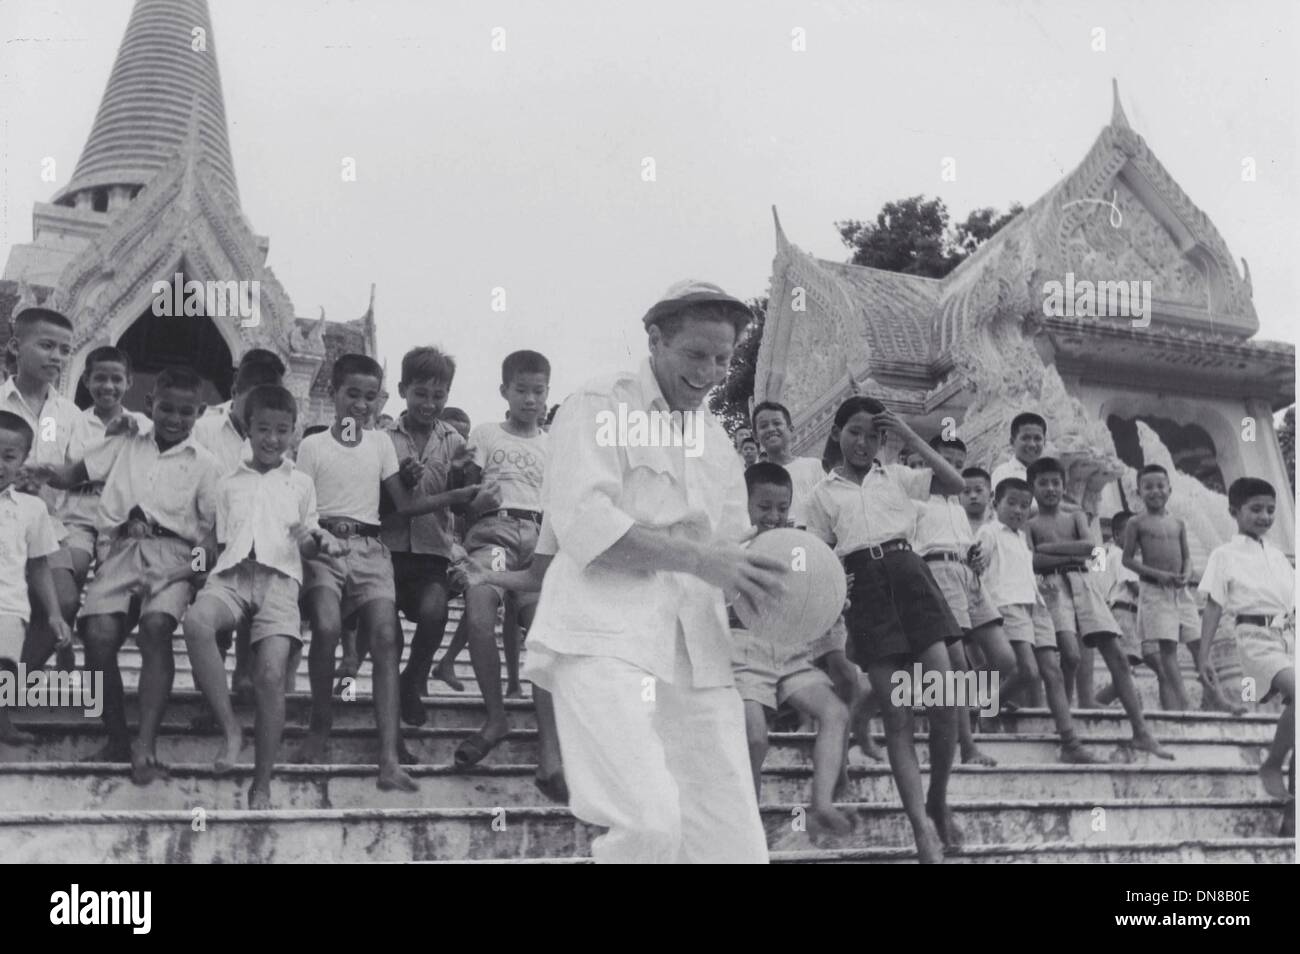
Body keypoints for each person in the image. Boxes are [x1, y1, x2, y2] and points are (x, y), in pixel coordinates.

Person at [524, 279, 788, 864]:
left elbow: (730, 550)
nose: (710, 372)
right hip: (603, 639)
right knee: (648, 828)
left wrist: (782, 589)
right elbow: (584, 524)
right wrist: (698, 558)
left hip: (696, 652)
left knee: (736, 849)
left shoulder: (717, 439)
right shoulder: (598, 404)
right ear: (654, 339)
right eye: (695, 355)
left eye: (723, 359)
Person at [294, 353, 480, 791]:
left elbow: (406, 505)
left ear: (380, 398)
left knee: (385, 638)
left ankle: (388, 758)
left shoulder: (381, 445)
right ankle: (319, 727)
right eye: (352, 395)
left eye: (369, 397)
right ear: (333, 394)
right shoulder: (312, 445)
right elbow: (298, 506)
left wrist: (459, 492)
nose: (361, 405)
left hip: (374, 548)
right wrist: (312, 544)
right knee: (324, 627)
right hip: (325, 544)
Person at [33, 366, 222, 783]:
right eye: (166, 408)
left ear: (200, 412)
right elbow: (74, 475)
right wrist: (42, 474)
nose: (174, 419)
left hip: (175, 553)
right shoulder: (127, 440)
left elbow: (212, 535)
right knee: (98, 635)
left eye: (185, 412)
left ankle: (146, 746)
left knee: (156, 628)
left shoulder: (207, 464)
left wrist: (192, 575)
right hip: (120, 548)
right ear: (150, 403)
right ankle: (116, 736)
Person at [805, 395, 966, 862]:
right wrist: (839, 581)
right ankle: (921, 828)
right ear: (838, 434)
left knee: (946, 699)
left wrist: (910, 436)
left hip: (911, 576)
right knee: (897, 716)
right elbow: (817, 555)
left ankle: (938, 797)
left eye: (874, 434)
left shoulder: (897, 475)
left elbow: (954, 482)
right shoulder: (822, 494)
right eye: (855, 432)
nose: (864, 442)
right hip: (867, 592)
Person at [182, 385, 342, 806]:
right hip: (232, 576)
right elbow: (215, 542)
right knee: (197, 623)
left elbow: (307, 541)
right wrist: (187, 573)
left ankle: (262, 782)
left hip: (279, 581)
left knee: (270, 677)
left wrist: (316, 542)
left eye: (282, 430)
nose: (273, 438)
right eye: (264, 429)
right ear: (247, 429)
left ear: (294, 431)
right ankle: (232, 729)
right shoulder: (228, 482)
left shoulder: (301, 483)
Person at [754, 399, 881, 765]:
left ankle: (854, 729)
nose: (771, 430)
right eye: (763, 426)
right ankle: (808, 724)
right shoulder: (757, 475)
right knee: (795, 657)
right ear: (757, 435)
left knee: (840, 664)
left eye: (777, 423)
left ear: (791, 429)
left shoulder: (812, 468)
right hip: (781, 577)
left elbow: (831, 512)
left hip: (819, 572)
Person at [733, 462, 852, 834]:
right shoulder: (733, 545)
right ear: (745, 504)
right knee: (754, 737)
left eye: (782, 508)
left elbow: (812, 596)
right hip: (744, 654)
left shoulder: (797, 548)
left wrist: (832, 599)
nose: (774, 516)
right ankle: (747, 825)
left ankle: (821, 805)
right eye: (764, 507)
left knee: (835, 713)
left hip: (788, 651)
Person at [1026, 457, 1171, 758]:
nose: (1051, 488)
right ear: (1033, 488)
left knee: (1117, 654)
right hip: (1052, 587)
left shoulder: (1076, 515)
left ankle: (1141, 731)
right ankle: (1066, 729)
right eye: (1043, 483)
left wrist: (1048, 549)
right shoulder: (1030, 523)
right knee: (1069, 654)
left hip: (1085, 584)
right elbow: (1034, 561)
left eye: (1056, 482)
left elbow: (1091, 550)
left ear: (1064, 485)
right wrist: (1066, 553)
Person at [452, 350, 550, 766]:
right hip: (496, 534)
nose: (530, 399)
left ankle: (550, 743)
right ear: (504, 391)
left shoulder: (555, 444)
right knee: (478, 607)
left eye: (538, 391)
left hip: (540, 541)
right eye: (521, 390)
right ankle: (496, 718)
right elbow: (463, 501)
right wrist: (473, 499)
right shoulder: (487, 434)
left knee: (546, 633)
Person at [377, 346, 470, 727]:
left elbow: (464, 504)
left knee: (435, 612)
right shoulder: (381, 438)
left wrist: (471, 485)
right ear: (402, 390)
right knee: (391, 636)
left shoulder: (455, 443)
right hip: (385, 552)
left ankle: (412, 679)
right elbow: (374, 501)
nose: (429, 404)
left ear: (448, 395)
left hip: (433, 552)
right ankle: (391, 701)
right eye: (420, 394)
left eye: (439, 395)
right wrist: (400, 483)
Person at [976, 478, 1096, 761]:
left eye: (1023, 505)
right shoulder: (989, 531)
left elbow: (1091, 555)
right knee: (1027, 672)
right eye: (1011, 504)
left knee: (1051, 672)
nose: (1018, 510)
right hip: (1008, 605)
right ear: (995, 504)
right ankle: (989, 708)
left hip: (1036, 606)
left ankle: (1070, 743)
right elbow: (977, 568)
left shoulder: (1022, 536)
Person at [1198, 477, 1294, 799]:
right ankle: (1272, 763)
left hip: (1289, 635)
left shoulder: (1280, 557)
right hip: (1254, 635)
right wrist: (1202, 655)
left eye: (1270, 510)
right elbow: (1213, 606)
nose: (1265, 517)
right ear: (1234, 511)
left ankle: (1292, 819)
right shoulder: (1224, 555)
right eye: (1256, 509)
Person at [2, 307, 86, 674]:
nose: (57, 357)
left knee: (64, 603)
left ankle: (5, 695)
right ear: (16, 346)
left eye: (65, 350)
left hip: (45, 527)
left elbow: (77, 474)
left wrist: (49, 474)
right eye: (47, 345)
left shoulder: (68, 414)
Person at [906, 438, 998, 766]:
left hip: (968, 578)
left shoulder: (960, 509)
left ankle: (980, 712)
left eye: (959, 463)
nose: (952, 469)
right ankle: (966, 743)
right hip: (938, 575)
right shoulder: (917, 503)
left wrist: (977, 556)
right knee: (957, 664)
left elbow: (972, 546)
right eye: (946, 461)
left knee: (1003, 657)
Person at [0, 411, 73, 744]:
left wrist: (55, 614)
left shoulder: (32, 509)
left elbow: (40, 565)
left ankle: (2, 723)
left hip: (9, 605)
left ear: (23, 461)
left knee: (4, 666)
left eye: (8, 456)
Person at [1121, 464, 1197, 711]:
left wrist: (1186, 573)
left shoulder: (1178, 522)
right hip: (1153, 591)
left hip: (1180, 591)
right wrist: (1159, 575)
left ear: (1169, 489)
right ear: (1138, 492)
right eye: (1148, 487)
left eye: (1160, 486)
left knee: (1197, 642)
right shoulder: (1135, 522)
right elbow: (1127, 559)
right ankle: (1184, 703)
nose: (1155, 491)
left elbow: (1186, 556)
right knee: (1167, 650)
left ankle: (1214, 692)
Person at [1093, 511, 1163, 708]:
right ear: (1116, 535)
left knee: (1124, 668)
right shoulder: (1123, 556)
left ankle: (1099, 703)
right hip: (1124, 613)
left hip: (1121, 613)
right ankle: (1097, 702)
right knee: (1124, 668)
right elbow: (1134, 586)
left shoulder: (1107, 554)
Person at [989, 412, 1046, 491]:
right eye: (1025, 438)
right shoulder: (1002, 473)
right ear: (1012, 442)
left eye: (1037, 438)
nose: (1032, 445)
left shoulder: (1050, 473)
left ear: (1044, 442)